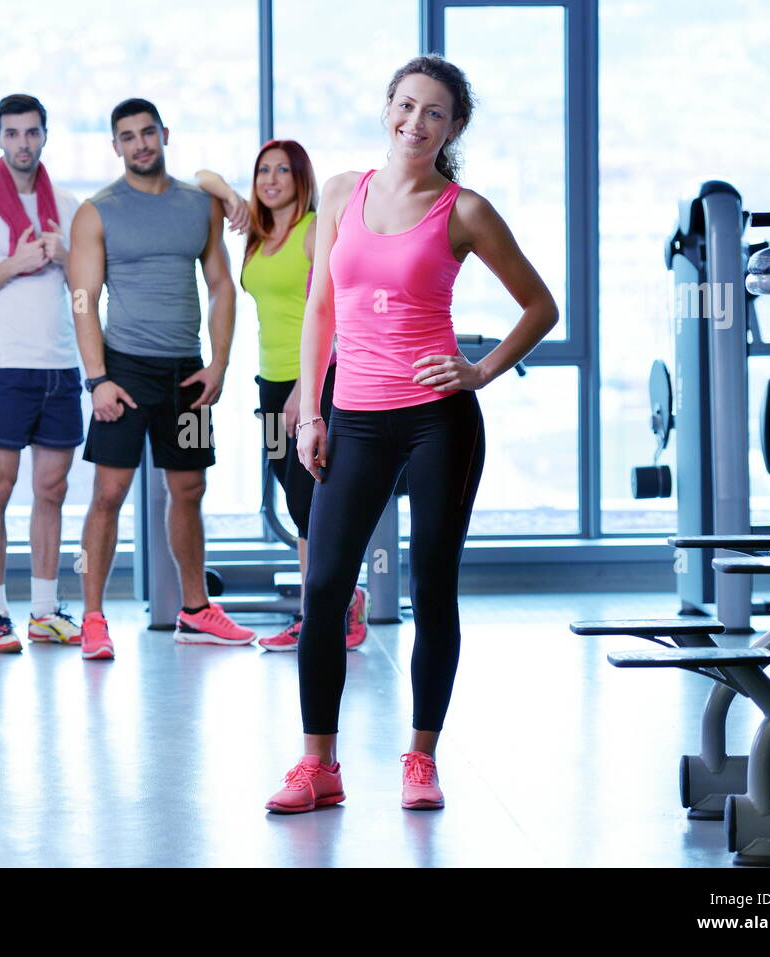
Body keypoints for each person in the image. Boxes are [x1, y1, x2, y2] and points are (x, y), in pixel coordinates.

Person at [265, 56, 559, 813]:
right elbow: (320, 311)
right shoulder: (339, 193)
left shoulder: (464, 211)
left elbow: (540, 306)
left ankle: (421, 757)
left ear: (454, 127)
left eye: (434, 112)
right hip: (354, 419)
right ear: (385, 109)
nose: (415, 122)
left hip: (438, 423)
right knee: (324, 586)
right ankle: (318, 765)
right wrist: (312, 412)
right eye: (405, 105)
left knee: (433, 589)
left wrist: (481, 370)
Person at [66, 97, 257, 660]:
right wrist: (96, 378)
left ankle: (195, 611)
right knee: (109, 491)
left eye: (148, 133)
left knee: (190, 489)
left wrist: (218, 362)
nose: (140, 144)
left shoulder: (200, 206)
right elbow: (83, 300)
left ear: (164, 134)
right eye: (128, 136)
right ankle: (94, 618)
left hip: (186, 375)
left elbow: (222, 284)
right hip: (123, 371)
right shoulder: (96, 212)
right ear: (115, 146)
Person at [196, 142, 368, 653]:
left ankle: (321, 613)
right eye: (262, 171)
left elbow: (337, 313)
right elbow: (203, 173)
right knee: (296, 500)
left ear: (301, 178)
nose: (271, 179)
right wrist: (230, 195)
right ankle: (340, 602)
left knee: (308, 495)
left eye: (282, 170)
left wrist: (304, 391)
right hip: (269, 386)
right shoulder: (258, 231)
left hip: (315, 382)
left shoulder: (315, 229)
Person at [0, 94, 84, 654]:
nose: (23, 143)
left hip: (59, 368)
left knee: (51, 490)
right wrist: (15, 264)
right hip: (2, 366)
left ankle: (46, 611)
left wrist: (62, 256)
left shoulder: (71, 208)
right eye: (13, 133)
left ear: (45, 135)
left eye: (32, 133)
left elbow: (89, 287)